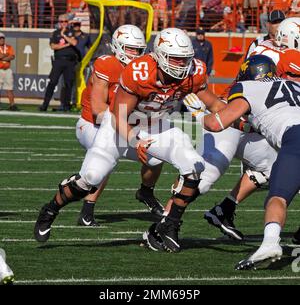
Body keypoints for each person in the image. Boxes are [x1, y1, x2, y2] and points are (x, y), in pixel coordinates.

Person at [34, 28, 226, 252]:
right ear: (161, 55)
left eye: (185, 59)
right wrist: (135, 141)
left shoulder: (194, 72)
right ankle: (51, 209)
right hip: (117, 128)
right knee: (90, 178)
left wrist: (243, 116)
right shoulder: (139, 71)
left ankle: (170, 225)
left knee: (194, 165)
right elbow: (117, 116)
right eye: (176, 59)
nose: (182, 64)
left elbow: (215, 105)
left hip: (155, 125)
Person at [203, 54, 300, 269]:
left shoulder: (247, 88)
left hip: (295, 137)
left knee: (278, 198)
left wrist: (200, 114)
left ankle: (270, 243)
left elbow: (217, 123)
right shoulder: (292, 84)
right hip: (294, 133)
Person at [76, 24, 164, 226]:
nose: (134, 54)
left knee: (157, 155)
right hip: (92, 124)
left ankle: (146, 192)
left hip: (121, 122)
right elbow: (98, 109)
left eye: (138, 50)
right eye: (130, 48)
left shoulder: (143, 69)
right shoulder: (106, 64)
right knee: (106, 156)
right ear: (117, 46)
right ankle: (87, 210)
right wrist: (125, 125)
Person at [39, 14, 78, 112]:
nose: (64, 23)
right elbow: (53, 46)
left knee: (68, 83)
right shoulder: (55, 33)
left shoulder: (71, 32)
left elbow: (74, 43)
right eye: (62, 22)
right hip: (59, 60)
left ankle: (66, 105)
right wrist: (66, 45)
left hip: (70, 61)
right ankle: (45, 104)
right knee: (52, 82)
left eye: (65, 21)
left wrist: (64, 35)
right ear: (59, 23)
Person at [0, 32, 19, 111]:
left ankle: (12, 105)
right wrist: (6, 55)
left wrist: (2, 57)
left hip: (7, 69)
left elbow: (12, 56)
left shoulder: (9, 47)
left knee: (9, 88)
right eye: (0, 39)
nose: (1, 40)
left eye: (2, 38)